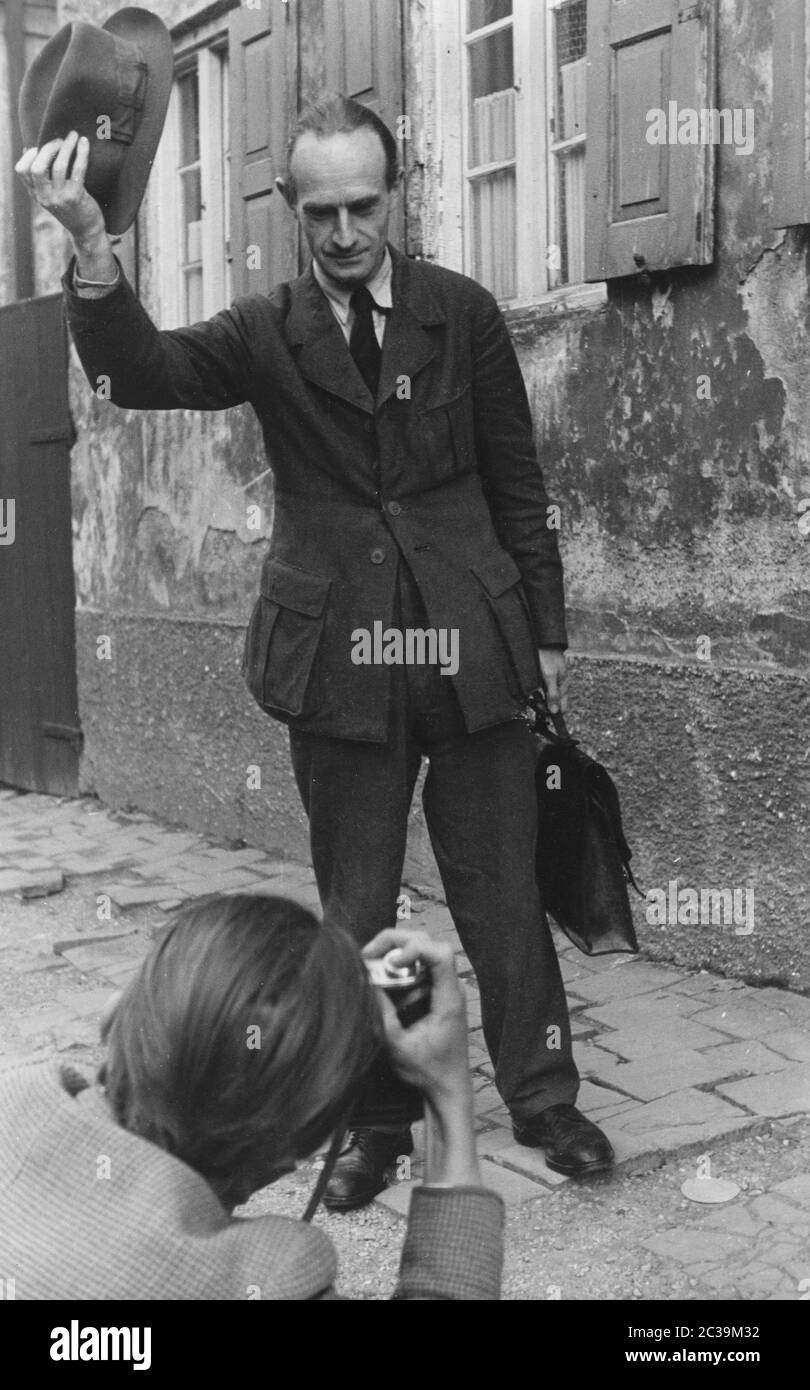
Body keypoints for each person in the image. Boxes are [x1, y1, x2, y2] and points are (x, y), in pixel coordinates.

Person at [16, 91, 613, 1210]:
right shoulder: (264, 328)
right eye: (322, 210)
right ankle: (369, 1122)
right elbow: (139, 371)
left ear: (399, 195)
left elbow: (517, 483)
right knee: (356, 902)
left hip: (470, 645)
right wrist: (91, 244)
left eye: (365, 205)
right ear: (289, 204)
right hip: (338, 655)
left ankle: (543, 1096)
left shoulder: (463, 312)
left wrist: (546, 633)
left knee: (501, 892)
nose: (346, 232)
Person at [0, 894, 504, 1300]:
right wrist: (448, 1092)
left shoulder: (14, 1093)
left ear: (114, 1016)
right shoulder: (268, 1276)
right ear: (286, 1159)